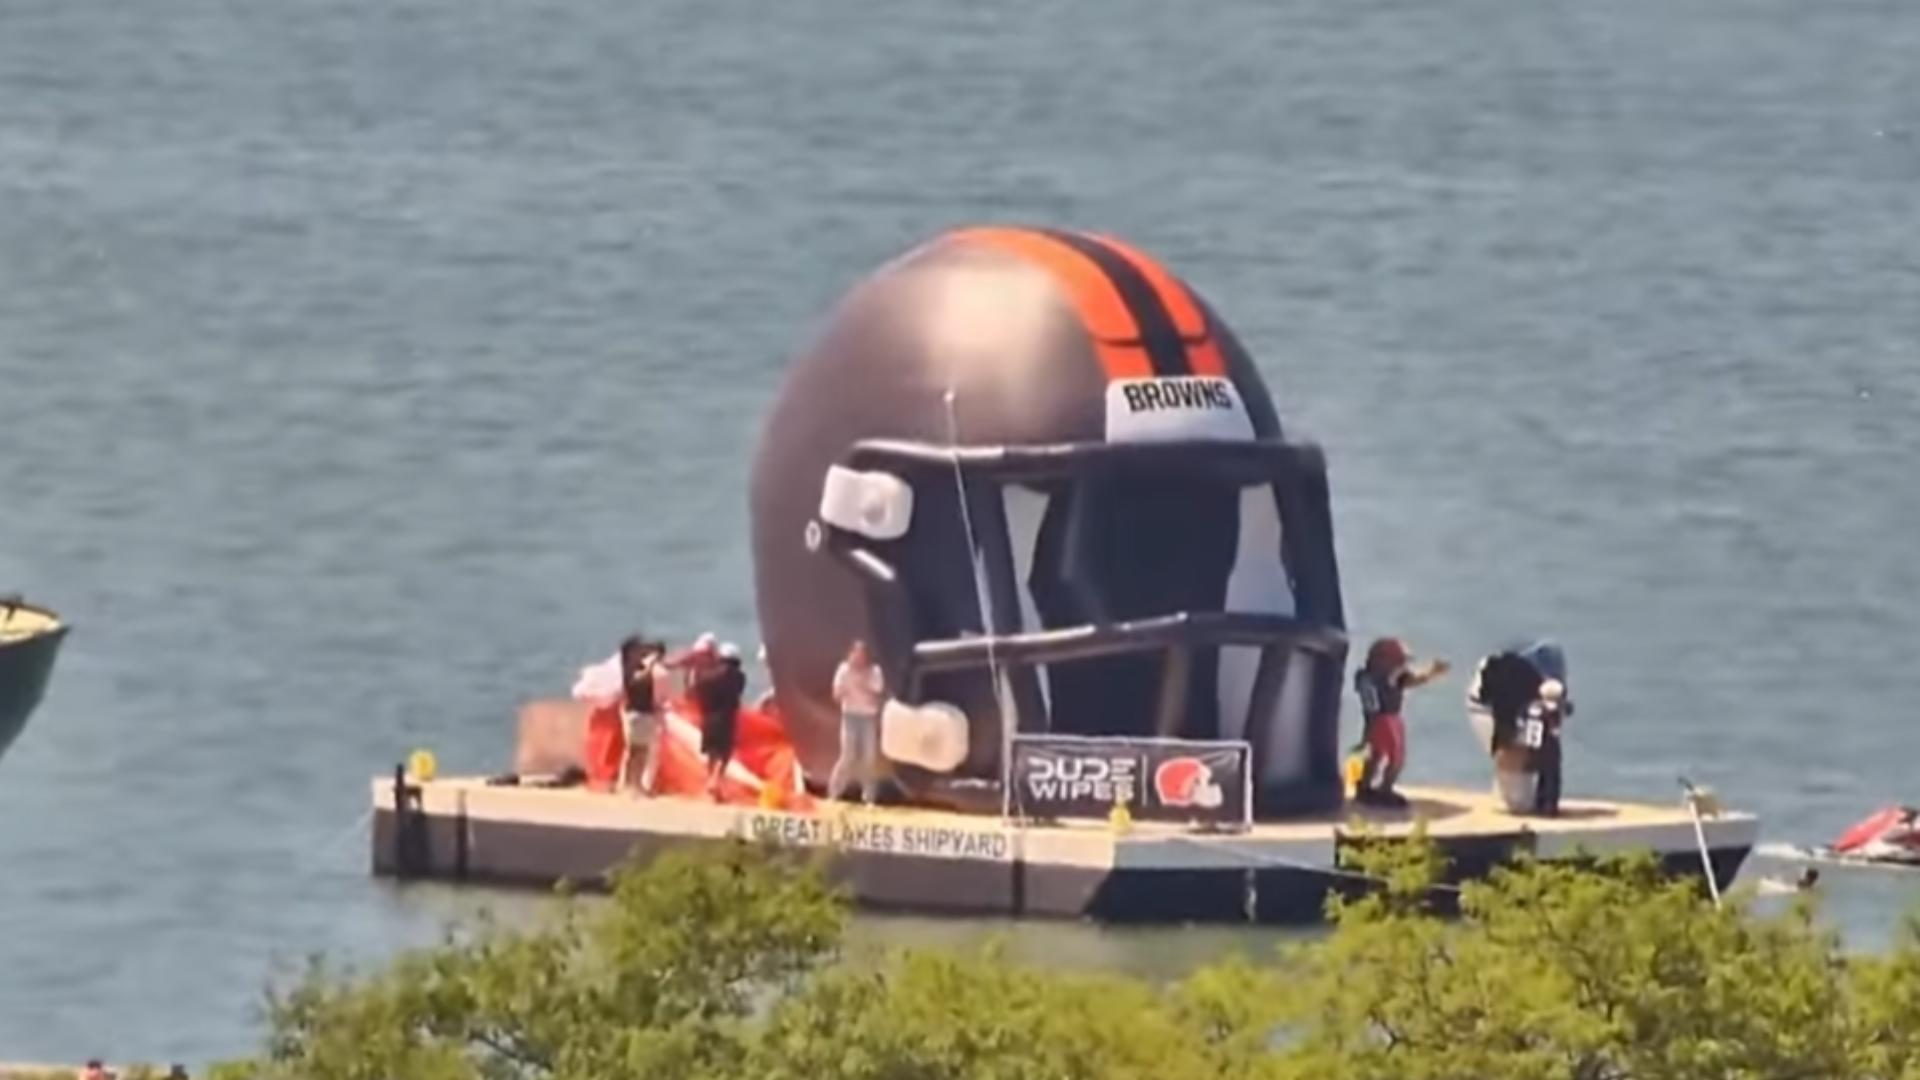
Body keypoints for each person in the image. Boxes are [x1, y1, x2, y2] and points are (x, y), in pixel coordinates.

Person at [1351, 637, 1449, 807]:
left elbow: (1411, 680)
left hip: (1389, 719)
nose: (1402, 667)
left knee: (1378, 755)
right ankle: (1383, 789)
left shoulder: (1381, 678)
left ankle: (1367, 787)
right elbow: (1372, 705)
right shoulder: (1375, 680)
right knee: (1395, 758)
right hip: (1384, 721)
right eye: (1398, 663)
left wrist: (1431, 673)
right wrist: (1368, 731)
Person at [829, 639, 886, 804]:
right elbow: (836, 695)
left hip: (868, 716)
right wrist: (843, 691)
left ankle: (869, 797)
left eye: (862, 656)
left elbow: (877, 692)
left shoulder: (874, 671)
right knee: (848, 756)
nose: (859, 659)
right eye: (856, 655)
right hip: (850, 716)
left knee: (869, 757)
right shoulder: (844, 670)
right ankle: (834, 792)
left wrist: (862, 683)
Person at [697, 643, 748, 799]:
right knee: (723, 753)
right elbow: (737, 693)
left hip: (708, 716)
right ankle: (714, 782)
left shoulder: (707, 675)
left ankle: (712, 786)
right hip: (726, 717)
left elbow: (698, 690)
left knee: (711, 752)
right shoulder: (738, 676)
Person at [617, 636, 667, 794]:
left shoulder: (636, 665)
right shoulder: (629, 667)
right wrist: (651, 665)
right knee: (636, 750)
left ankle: (633, 783)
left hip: (643, 711)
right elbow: (638, 680)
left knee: (640, 751)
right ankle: (630, 783)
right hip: (636, 712)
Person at [1528, 677, 1573, 815]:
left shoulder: (1534, 707)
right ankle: (1550, 807)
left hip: (1534, 746)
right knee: (1552, 777)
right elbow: (1566, 713)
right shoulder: (1552, 710)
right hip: (1549, 745)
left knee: (1542, 777)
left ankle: (1539, 804)